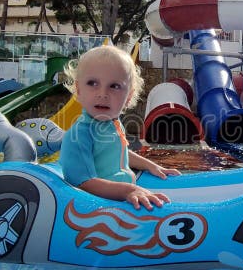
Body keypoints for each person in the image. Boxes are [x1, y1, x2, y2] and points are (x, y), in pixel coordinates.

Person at [60, 45, 180, 210]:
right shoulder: (78, 135)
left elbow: (118, 151)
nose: (103, 93)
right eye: (92, 83)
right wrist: (129, 190)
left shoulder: (112, 124)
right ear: (79, 90)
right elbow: (83, 183)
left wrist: (151, 165)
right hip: (97, 207)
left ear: (128, 96)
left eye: (114, 86)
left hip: (118, 199)